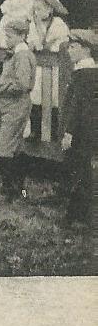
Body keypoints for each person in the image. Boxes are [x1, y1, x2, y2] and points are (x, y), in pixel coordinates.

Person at [0, 16, 37, 201]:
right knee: (15, 148)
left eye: (10, 36)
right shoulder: (16, 54)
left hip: (15, 107)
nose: (7, 40)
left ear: (21, 36)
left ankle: (10, 190)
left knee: (3, 149)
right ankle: (19, 189)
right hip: (8, 106)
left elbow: (24, 83)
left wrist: (2, 87)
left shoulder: (23, 55)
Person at [60, 29, 96, 230]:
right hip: (84, 129)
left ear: (86, 49)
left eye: (73, 48)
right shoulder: (84, 71)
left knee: (79, 169)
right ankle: (78, 213)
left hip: (80, 131)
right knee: (81, 169)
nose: (69, 52)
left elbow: (77, 106)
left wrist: (69, 132)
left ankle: (75, 215)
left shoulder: (85, 74)